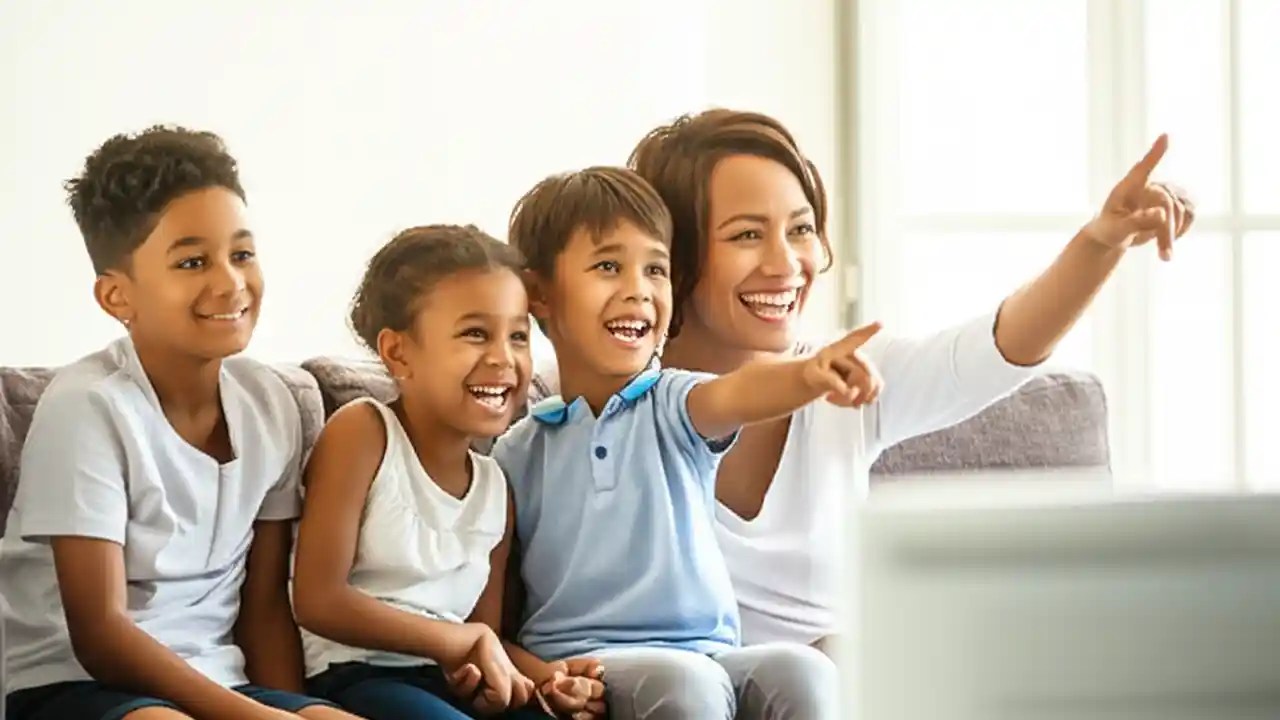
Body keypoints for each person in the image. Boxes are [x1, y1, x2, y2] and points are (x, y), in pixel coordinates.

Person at [627, 108, 1196, 651]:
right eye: (747, 235)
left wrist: (1101, 242)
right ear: (675, 255)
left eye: (801, 229)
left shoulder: (848, 374)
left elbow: (998, 348)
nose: (786, 264)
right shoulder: (618, 408)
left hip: (848, 687)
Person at [493, 166, 883, 720]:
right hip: (590, 661)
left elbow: (740, 391)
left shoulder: (674, 403)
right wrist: (549, 678)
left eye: (655, 269)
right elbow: (493, 623)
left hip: (712, 652)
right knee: (686, 684)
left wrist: (809, 374)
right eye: (608, 266)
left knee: (806, 669)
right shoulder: (515, 451)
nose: (638, 289)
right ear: (539, 294)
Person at [0, 126, 360, 720]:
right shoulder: (88, 408)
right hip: (74, 685)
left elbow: (264, 607)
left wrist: (298, 708)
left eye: (241, 254)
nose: (230, 282)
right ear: (117, 297)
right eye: (192, 262)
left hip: (219, 683)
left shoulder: (272, 403)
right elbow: (101, 635)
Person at [292, 225, 600, 719]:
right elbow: (318, 600)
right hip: (361, 675)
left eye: (518, 336)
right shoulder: (365, 433)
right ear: (398, 353)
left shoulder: (495, 486)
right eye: (475, 333)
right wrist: (455, 641)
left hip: (450, 680)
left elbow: (484, 635)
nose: (503, 357)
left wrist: (551, 677)